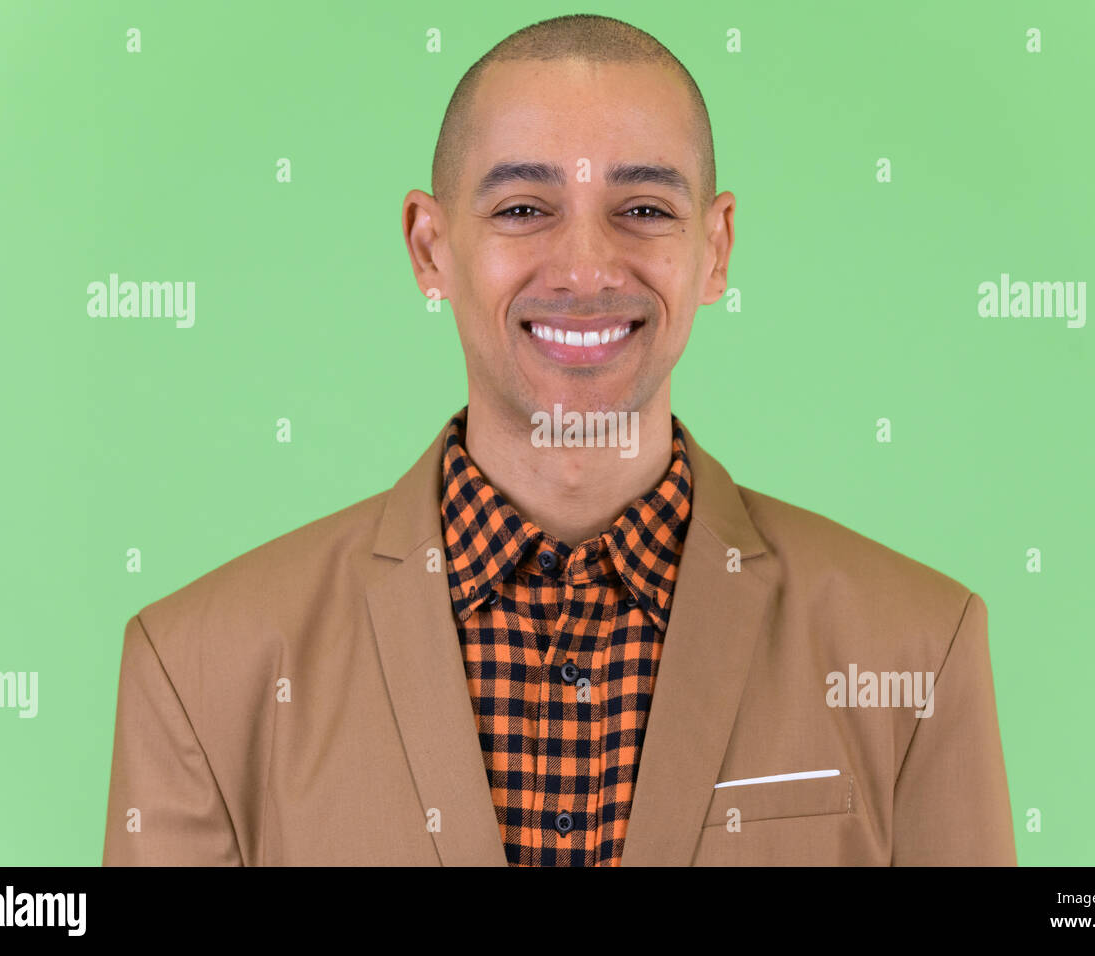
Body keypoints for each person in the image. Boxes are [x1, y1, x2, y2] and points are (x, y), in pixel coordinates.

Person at [102, 13, 1015, 866]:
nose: (586, 269)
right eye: (523, 209)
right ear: (431, 249)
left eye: (646, 209)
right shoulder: (196, 673)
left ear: (716, 248)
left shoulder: (914, 650)